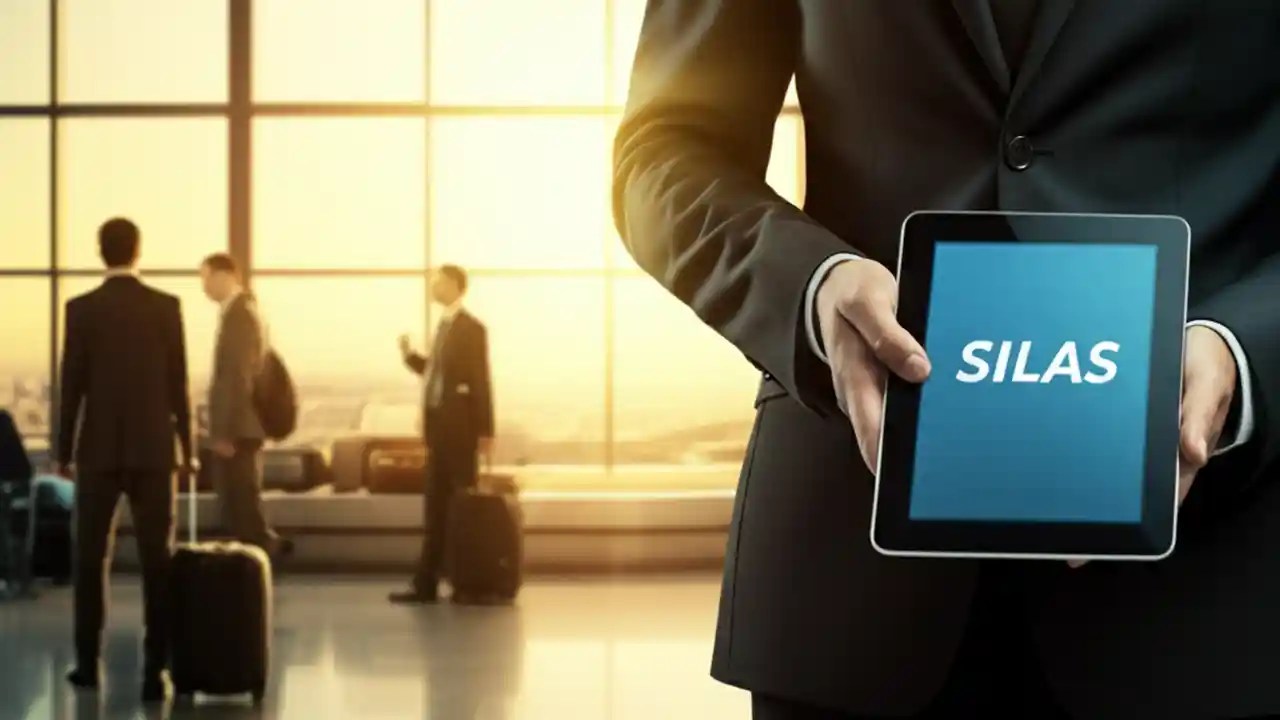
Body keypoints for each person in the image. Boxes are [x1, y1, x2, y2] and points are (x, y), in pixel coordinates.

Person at [614, 3, 1280, 719]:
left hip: (1208, 587)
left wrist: (1245, 345)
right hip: (849, 587)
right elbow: (662, 154)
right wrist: (810, 286)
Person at [57, 218, 192, 702]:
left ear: (101, 252)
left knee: (90, 560)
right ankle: (156, 671)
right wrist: (188, 451)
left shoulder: (81, 310)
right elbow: (180, 386)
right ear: (139, 251)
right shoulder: (166, 308)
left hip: (97, 452)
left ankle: (88, 667)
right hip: (156, 452)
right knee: (159, 562)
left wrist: (61, 453)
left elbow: (70, 387)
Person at [389, 265, 494, 605]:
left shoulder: (471, 329)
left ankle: (469, 582)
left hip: (460, 433)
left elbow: (480, 380)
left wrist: (485, 429)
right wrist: (409, 357)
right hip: (439, 432)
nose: (434, 287)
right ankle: (426, 584)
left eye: (439, 282)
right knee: (435, 509)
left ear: (456, 287)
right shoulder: (444, 327)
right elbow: (435, 373)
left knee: (462, 509)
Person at [200, 253, 292, 558]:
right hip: (241, 426)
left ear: (225, 275)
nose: (204, 286)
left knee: (240, 503)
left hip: (239, 429)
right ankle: (260, 557)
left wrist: (224, 433)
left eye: (206, 277)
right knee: (240, 503)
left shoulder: (240, 315)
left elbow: (236, 377)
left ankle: (264, 556)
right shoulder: (243, 311)